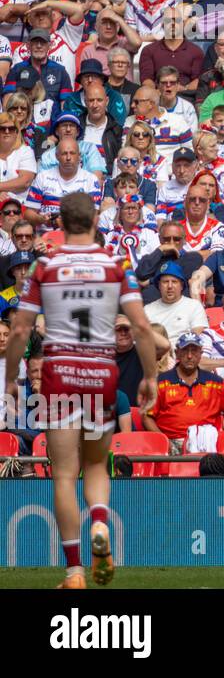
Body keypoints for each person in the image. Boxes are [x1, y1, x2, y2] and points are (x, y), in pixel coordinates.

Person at [4, 192, 157, 588]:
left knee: (63, 474)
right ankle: (100, 523)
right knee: (94, 464)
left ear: (59, 225)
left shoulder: (45, 264)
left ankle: (74, 572)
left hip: (59, 373)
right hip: (101, 373)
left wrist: (9, 378)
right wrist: (150, 376)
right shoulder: (115, 264)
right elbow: (141, 327)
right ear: (94, 221)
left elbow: (20, 328)